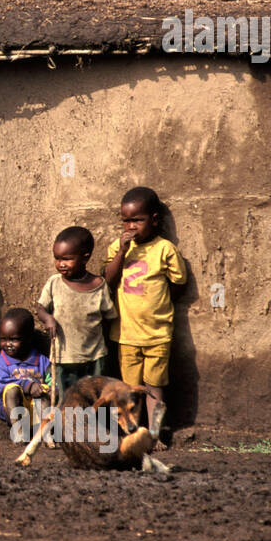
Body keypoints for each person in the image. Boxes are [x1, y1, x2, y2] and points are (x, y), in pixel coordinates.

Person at [102, 186, 187, 434]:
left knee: (155, 387)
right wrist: (122, 252)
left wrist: (159, 306)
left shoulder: (165, 249)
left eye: (137, 220)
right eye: (126, 221)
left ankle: (155, 432)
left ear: (154, 220)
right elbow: (108, 278)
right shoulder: (118, 248)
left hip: (157, 334)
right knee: (130, 389)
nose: (131, 227)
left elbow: (179, 283)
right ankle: (133, 431)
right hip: (127, 335)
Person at [34, 226, 117, 403]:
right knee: (66, 399)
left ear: (85, 257)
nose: (60, 264)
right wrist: (48, 318)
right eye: (57, 258)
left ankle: (94, 429)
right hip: (64, 356)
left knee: (94, 398)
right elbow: (40, 308)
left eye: (67, 259)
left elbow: (110, 317)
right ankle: (67, 429)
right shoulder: (54, 283)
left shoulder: (99, 285)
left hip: (93, 357)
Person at [0, 308, 52, 437]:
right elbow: (0, 384)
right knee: (11, 390)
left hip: (36, 410)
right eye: (4, 339)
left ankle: (47, 434)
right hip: (12, 409)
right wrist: (27, 386)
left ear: (29, 339)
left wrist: (53, 388)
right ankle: (19, 432)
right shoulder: (2, 362)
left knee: (44, 394)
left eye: (14, 339)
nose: (8, 344)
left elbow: (50, 378)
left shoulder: (41, 361)